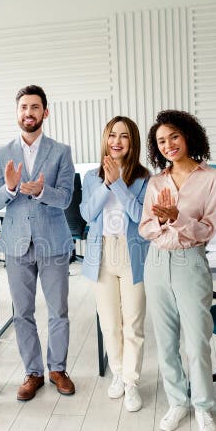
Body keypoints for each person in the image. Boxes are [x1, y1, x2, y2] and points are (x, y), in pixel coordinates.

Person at [0, 85, 76, 401]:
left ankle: (58, 369)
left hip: (52, 242)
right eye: (24, 107)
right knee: (22, 312)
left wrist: (41, 191)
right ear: (17, 112)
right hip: (15, 244)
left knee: (58, 311)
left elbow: (66, 198)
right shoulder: (1, 153)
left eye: (35, 107)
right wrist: (10, 188)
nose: (29, 113)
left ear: (45, 112)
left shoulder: (62, 151)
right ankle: (33, 372)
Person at [139, 110, 216, 431]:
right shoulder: (156, 182)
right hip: (156, 263)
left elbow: (208, 229)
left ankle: (203, 406)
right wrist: (160, 220)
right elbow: (146, 228)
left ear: (188, 136)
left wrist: (177, 217)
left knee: (198, 341)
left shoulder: (212, 177)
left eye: (174, 136)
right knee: (166, 340)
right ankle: (177, 402)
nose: (168, 144)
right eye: (161, 141)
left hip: (190, 263)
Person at [80, 116, 150, 411]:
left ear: (132, 142)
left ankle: (132, 382)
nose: (117, 141)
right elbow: (86, 214)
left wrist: (120, 185)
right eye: (112, 135)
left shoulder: (145, 178)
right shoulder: (92, 178)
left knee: (133, 323)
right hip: (102, 252)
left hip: (133, 253)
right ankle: (119, 374)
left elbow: (141, 217)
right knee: (110, 323)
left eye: (123, 136)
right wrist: (107, 185)